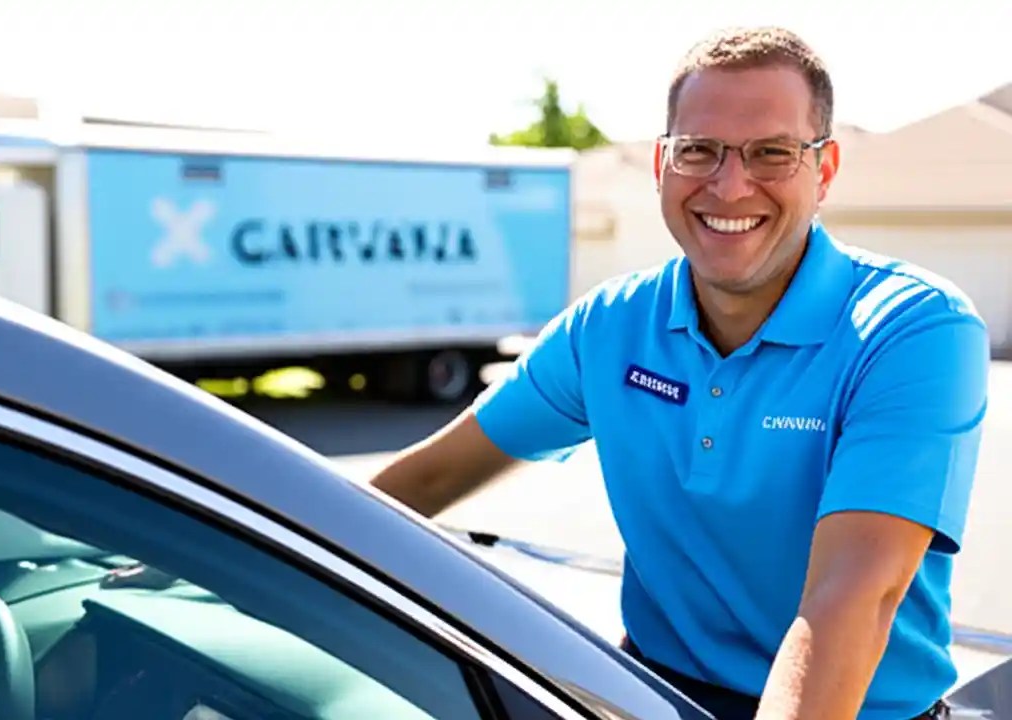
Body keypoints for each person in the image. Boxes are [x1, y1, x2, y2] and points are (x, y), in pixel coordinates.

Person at [370, 25, 988, 720]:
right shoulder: (610, 326)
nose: (729, 186)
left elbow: (851, 597)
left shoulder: (913, 330)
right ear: (663, 163)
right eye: (699, 151)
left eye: (771, 153)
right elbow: (427, 480)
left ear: (826, 168)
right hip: (653, 697)